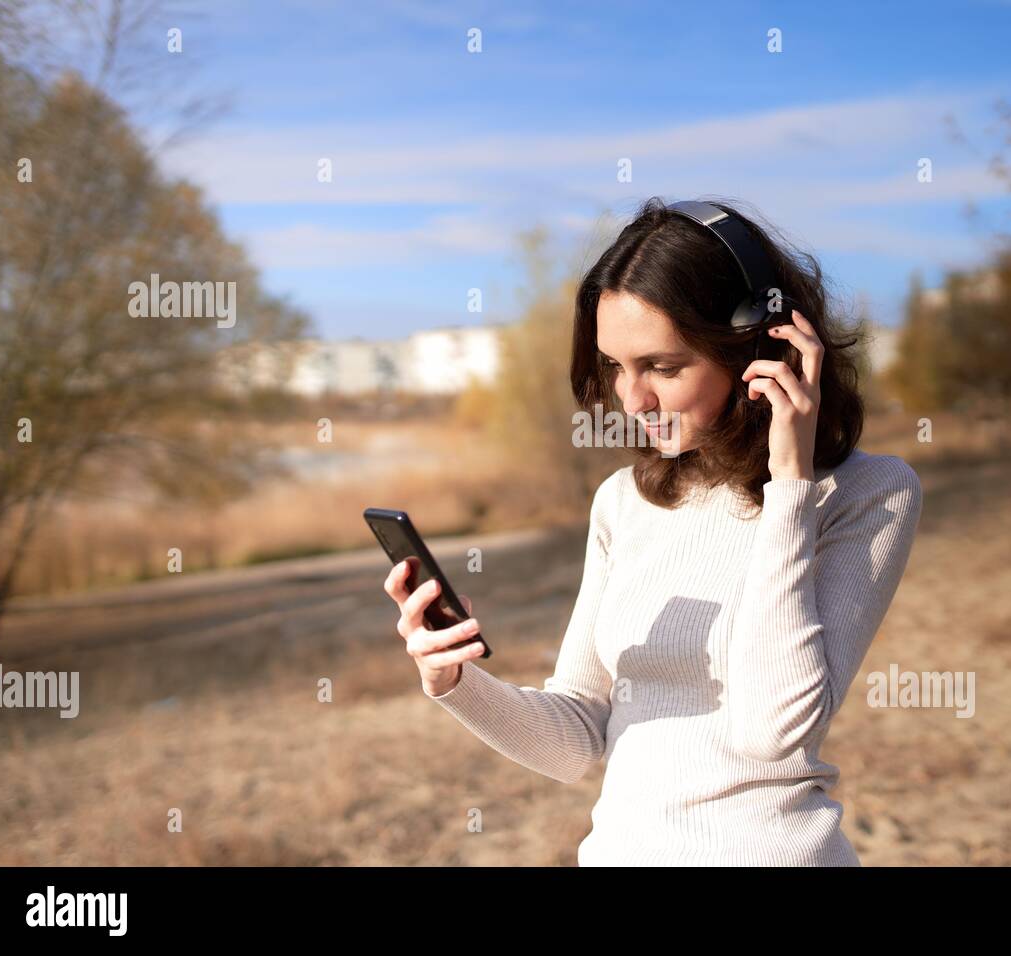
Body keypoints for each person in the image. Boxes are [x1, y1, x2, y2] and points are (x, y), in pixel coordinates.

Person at [382, 197, 923, 865]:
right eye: (615, 366)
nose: (631, 400)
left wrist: (791, 485)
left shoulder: (868, 495)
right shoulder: (622, 503)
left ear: (761, 344)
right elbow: (576, 737)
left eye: (662, 367)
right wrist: (455, 681)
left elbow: (772, 734)